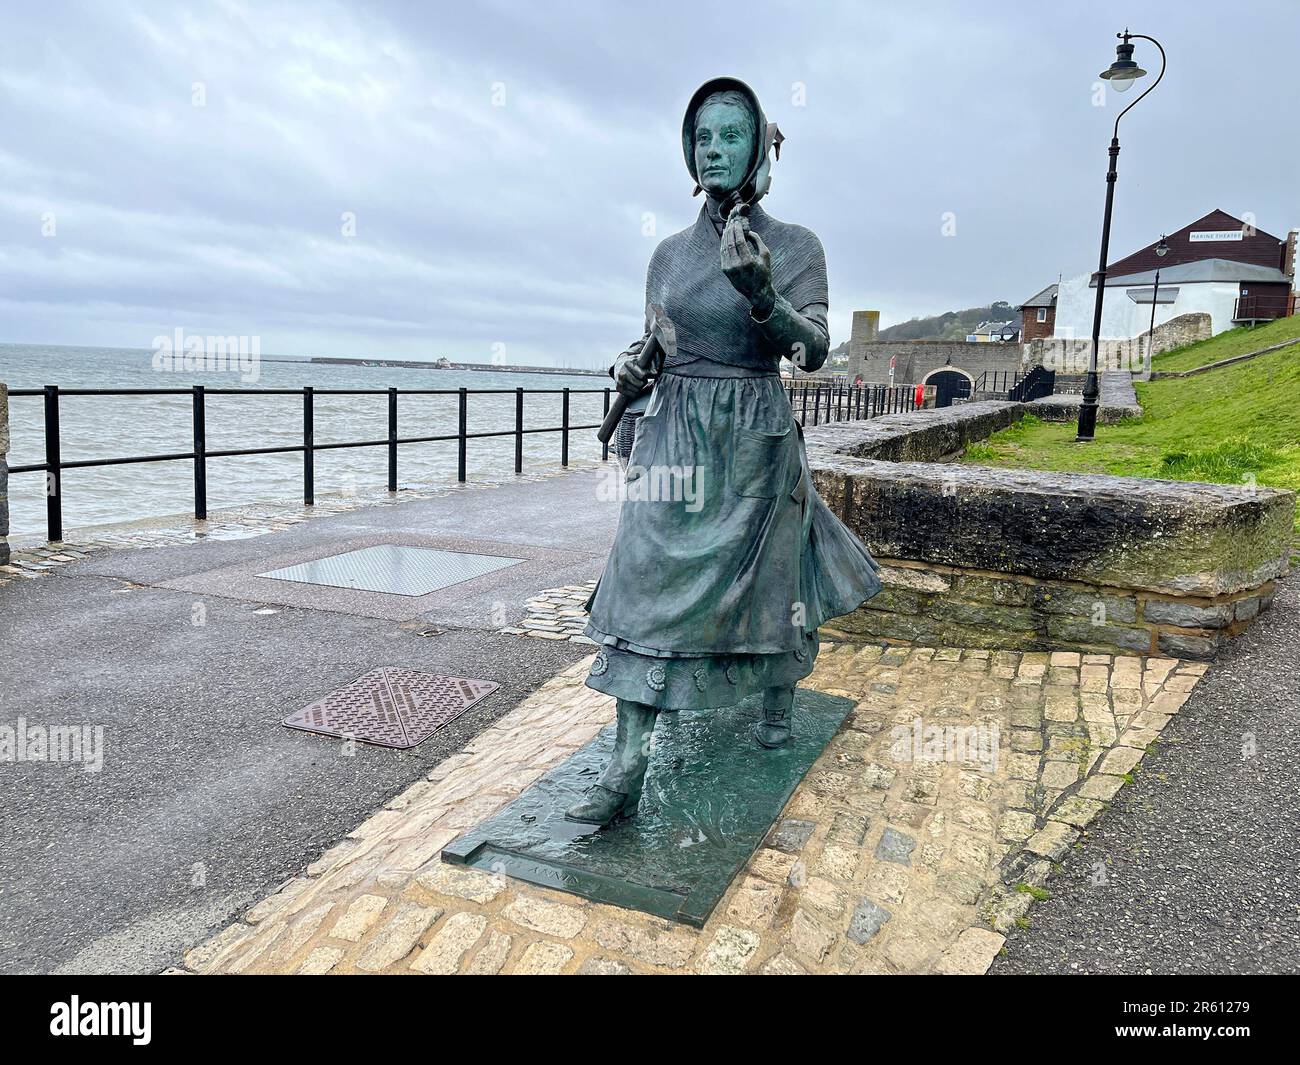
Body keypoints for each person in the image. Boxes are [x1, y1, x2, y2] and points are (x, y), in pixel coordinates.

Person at [567, 77, 881, 825]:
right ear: (688, 149)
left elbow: (811, 351)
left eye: (729, 136)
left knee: (772, 581)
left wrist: (765, 297)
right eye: (702, 136)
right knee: (641, 583)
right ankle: (624, 768)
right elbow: (653, 340)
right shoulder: (669, 255)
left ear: (758, 148)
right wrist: (628, 365)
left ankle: (777, 697)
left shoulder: (797, 246)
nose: (713, 149)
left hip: (752, 436)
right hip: (676, 434)